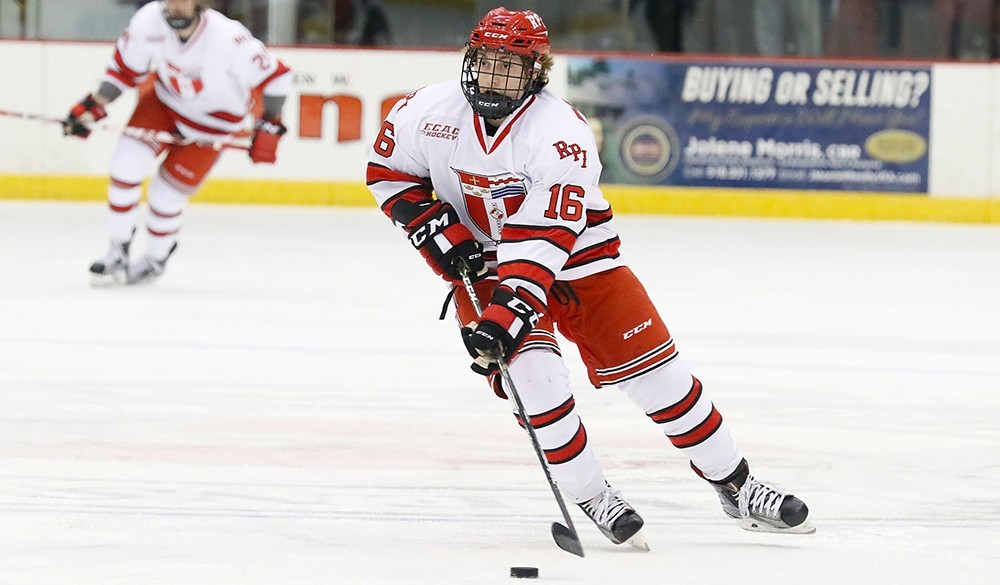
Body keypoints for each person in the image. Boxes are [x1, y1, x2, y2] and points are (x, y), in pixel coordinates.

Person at [366, 7, 814, 548]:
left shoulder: (561, 133)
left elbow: (543, 239)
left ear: (537, 72)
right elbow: (388, 174)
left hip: (583, 262)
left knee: (660, 381)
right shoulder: (427, 109)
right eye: (486, 61)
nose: (493, 76)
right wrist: (439, 233)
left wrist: (506, 316)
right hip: (484, 266)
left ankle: (738, 487)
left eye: (509, 66)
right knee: (535, 387)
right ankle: (594, 497)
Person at [64, 0, 292, 285]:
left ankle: (155, 259)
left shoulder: (228, 37)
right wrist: (94, 106)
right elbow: (124, 70)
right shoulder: (148, 21)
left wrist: (269, 122)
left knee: (165, 195)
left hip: (214, 124)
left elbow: (277, 76)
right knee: (124, 166)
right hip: (164, 104)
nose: (177, 6)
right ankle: (117, 249)